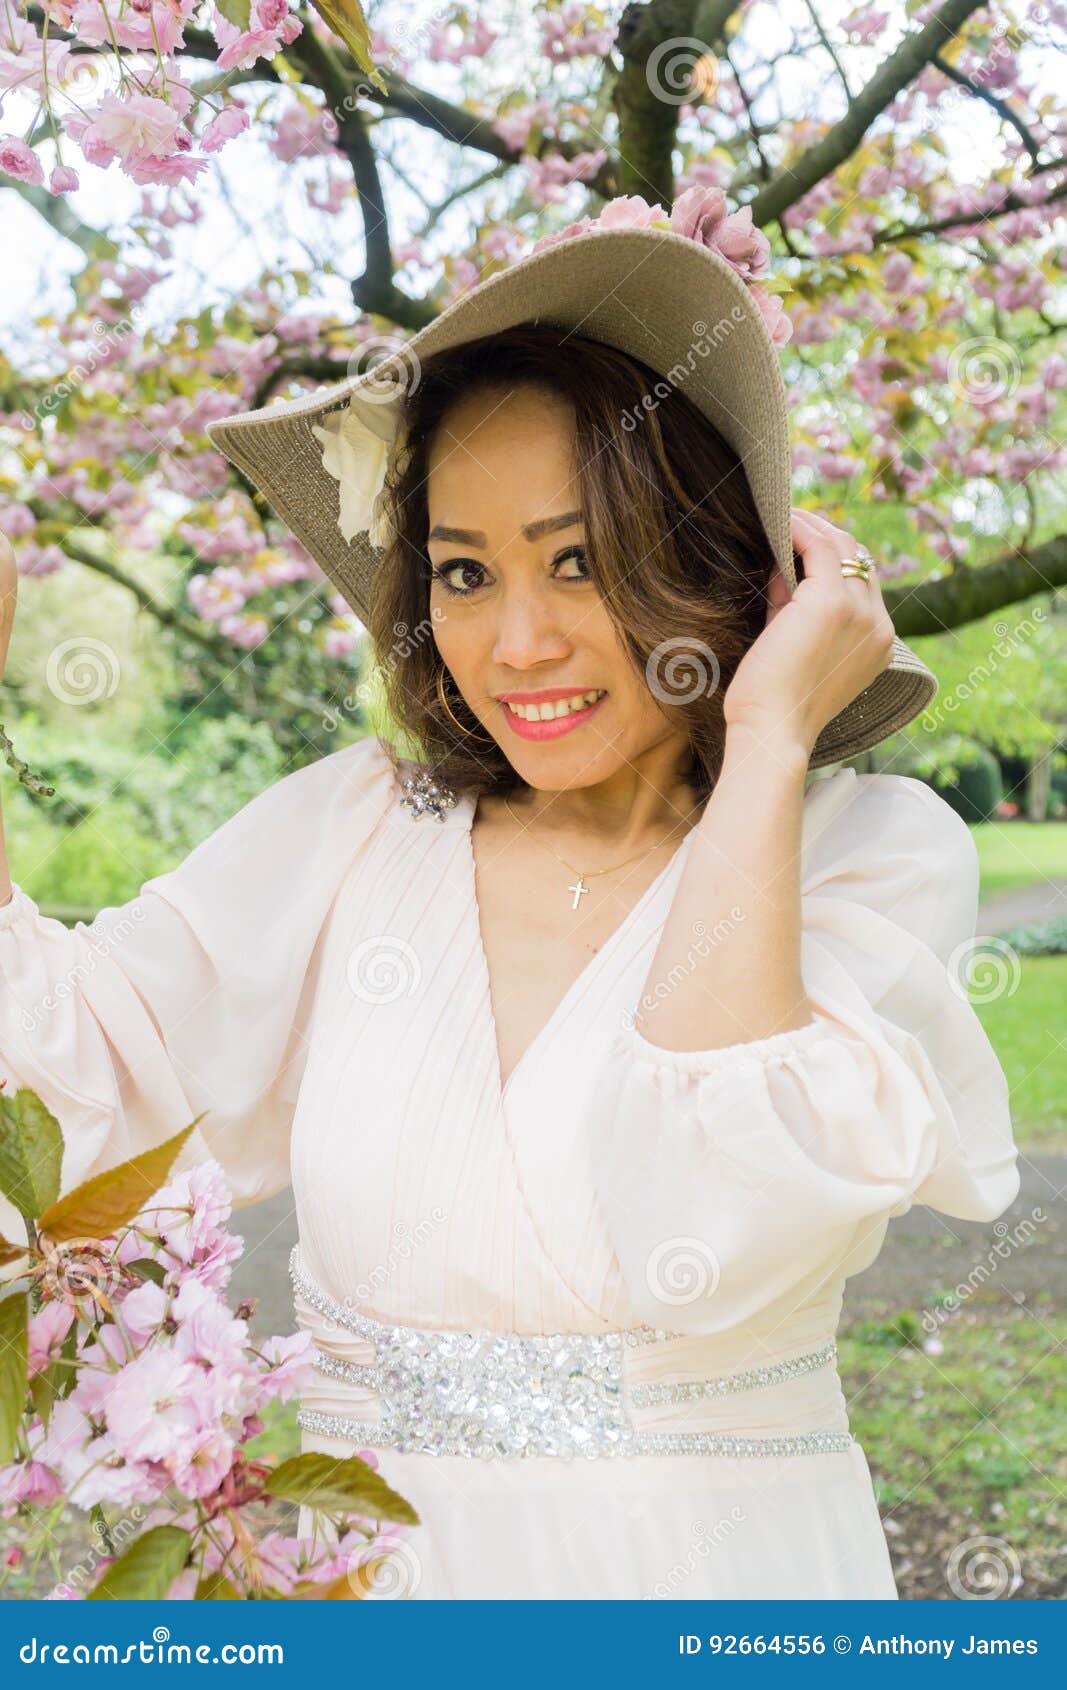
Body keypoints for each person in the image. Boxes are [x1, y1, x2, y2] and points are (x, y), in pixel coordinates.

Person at [0, 203, 1019, 1600]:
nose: (519, 641)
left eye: (581, 558)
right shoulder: (358, 830)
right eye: (465, 572)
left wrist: (771, 736)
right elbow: (62, 1093)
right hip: (390, 1592)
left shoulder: (867, 855)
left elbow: (710, 1209)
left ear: (714, 562)